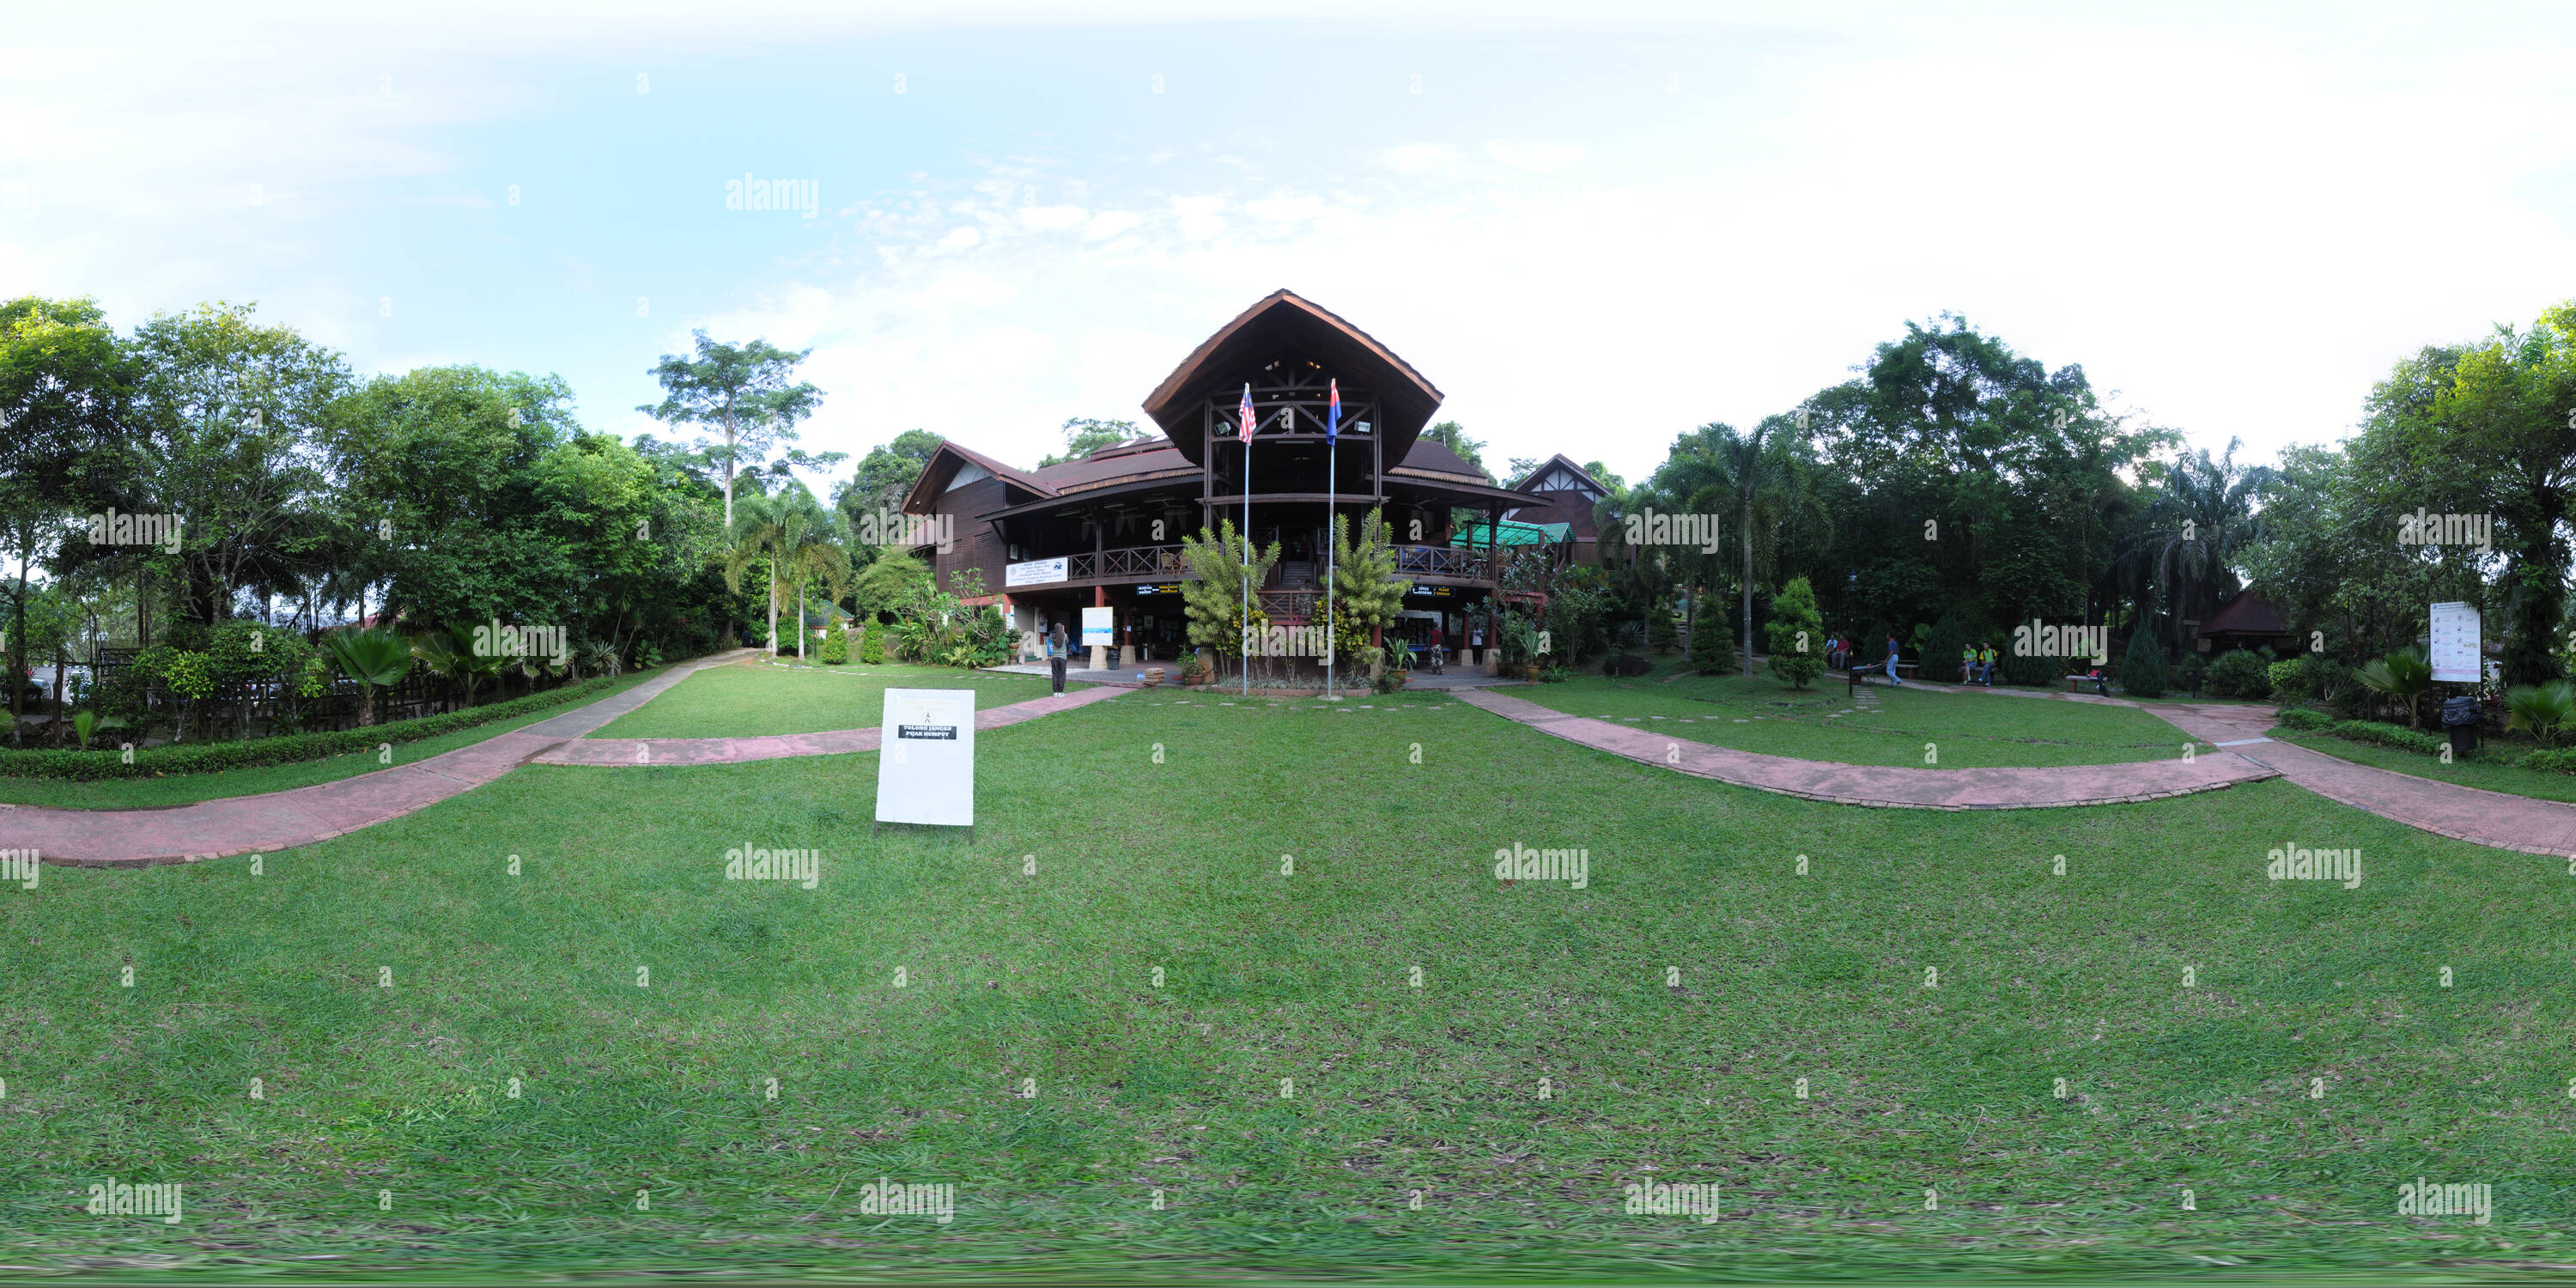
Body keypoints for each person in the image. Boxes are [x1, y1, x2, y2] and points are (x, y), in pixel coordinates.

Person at [1048, 621, 1068, 694]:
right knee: (1062, 675)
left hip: (1054, 658)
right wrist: (1063, 630)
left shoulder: (1051, 636)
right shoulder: (1065, 636)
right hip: (1063, 658)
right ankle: (1061, 691)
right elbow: (1066, 642)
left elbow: (1055, 636)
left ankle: (1055, 692)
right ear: (1062, 628)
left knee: (1055, 674)